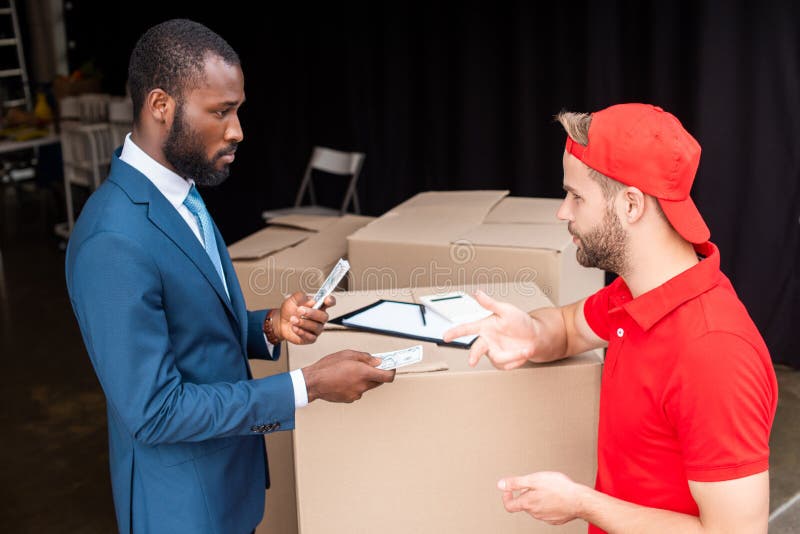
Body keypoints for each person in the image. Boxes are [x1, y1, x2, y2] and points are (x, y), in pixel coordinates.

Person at [65, 19, 395, 534]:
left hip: (227, 487)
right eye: (221, 111)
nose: (237, 129)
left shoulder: (181, 194)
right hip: (180, 510)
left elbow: (186, 328)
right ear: (160, 106)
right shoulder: (113, 239)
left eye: (237, 109)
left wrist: (267, 327)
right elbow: (155, 411)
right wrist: (306, 385)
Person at [444, 103, 778, 533]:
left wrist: (583, 502)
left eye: (576, 196)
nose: (563, 212)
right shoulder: (637, 294)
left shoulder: (714, 355)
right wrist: (530, 333)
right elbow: (567, 329)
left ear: (631, 205)